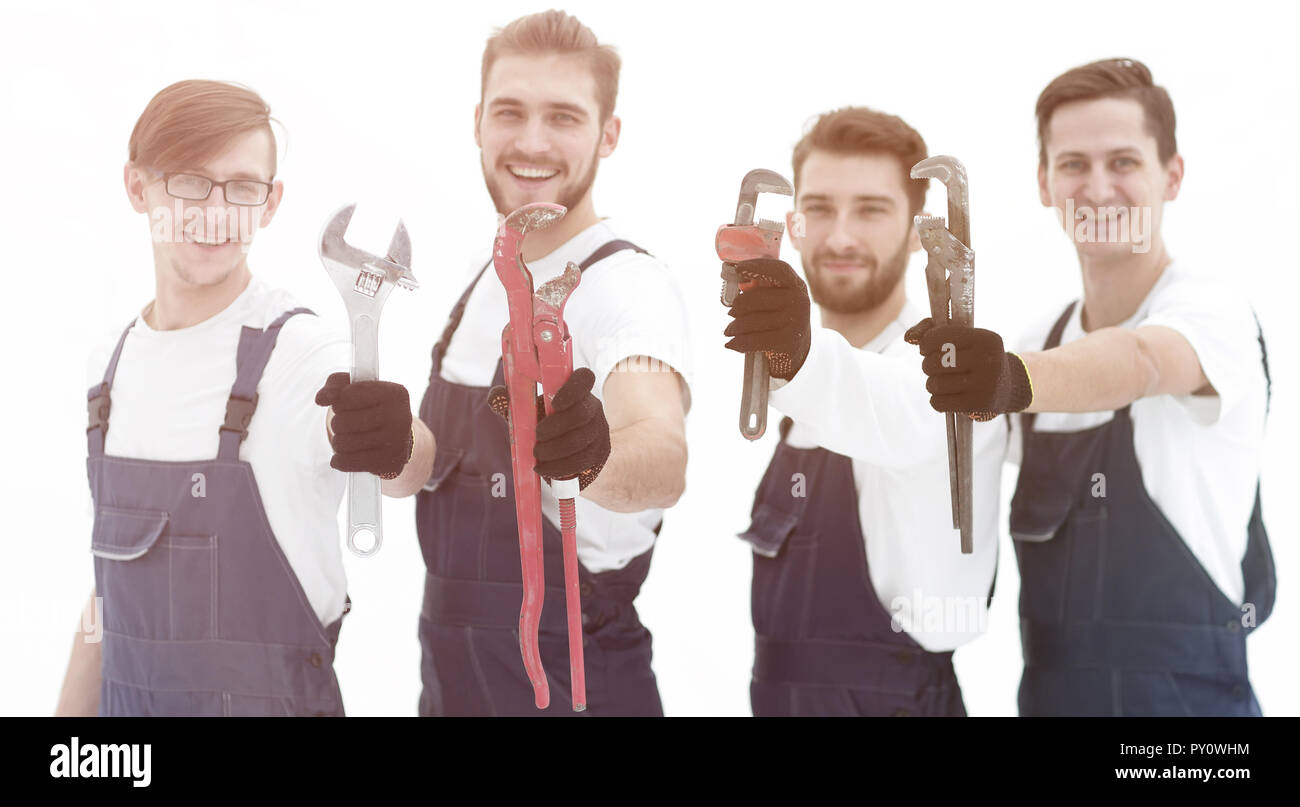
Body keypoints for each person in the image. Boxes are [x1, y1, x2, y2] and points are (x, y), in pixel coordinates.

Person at [908, 58, 1276, 716]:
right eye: (1073, 164)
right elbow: (927, 447)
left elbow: (1139, 359)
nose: (1098, 188)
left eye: (1124, 162)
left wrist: (1010, 380)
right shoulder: (1038, 338)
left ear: (1173, 175)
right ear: (1045, 183)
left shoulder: (1209, 313)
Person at [56, 80, 426, 716]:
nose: (216, 210)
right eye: (190, 180)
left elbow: (410, 468)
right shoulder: (109, 373)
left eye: (242, 187)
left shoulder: (301, 353)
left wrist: (395, 443)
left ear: (271, 202)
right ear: (137, 187)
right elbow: (108, 598)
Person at [378, 10, 692, 716]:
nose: (531, 142)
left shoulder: (628, 286)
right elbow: (428, 471)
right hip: (452, 684)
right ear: (478, 121)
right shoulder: (477, 278)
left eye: (564, 117)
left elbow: (663, 453)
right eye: (510, 112)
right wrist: (391, 441)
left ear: (609, 134)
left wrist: (597, 458)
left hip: (579, 682)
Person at [722, 107, 1005, 716]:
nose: (842, 236)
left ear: (914, 227)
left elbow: (902, 413)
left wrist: (796, 357)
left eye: (872, 209)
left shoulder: (953, 384)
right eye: (820, 208)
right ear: (793, 225)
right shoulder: (807, 397)